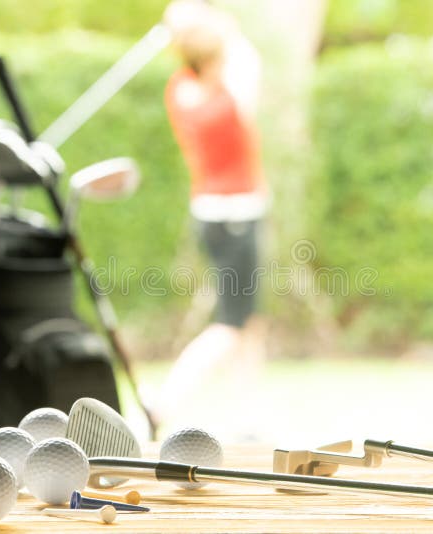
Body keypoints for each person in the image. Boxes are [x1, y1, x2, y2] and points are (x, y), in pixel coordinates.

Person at [151, 1, 268, 431]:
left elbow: (205, 44)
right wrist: (213, 22)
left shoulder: (180, 88)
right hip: (237, 217)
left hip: (213, 215)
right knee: (230, 324)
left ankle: (249, 419)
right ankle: (162, 404)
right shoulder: (228, 99)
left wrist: (187, 21)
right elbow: (245, 54)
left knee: (250, 320)